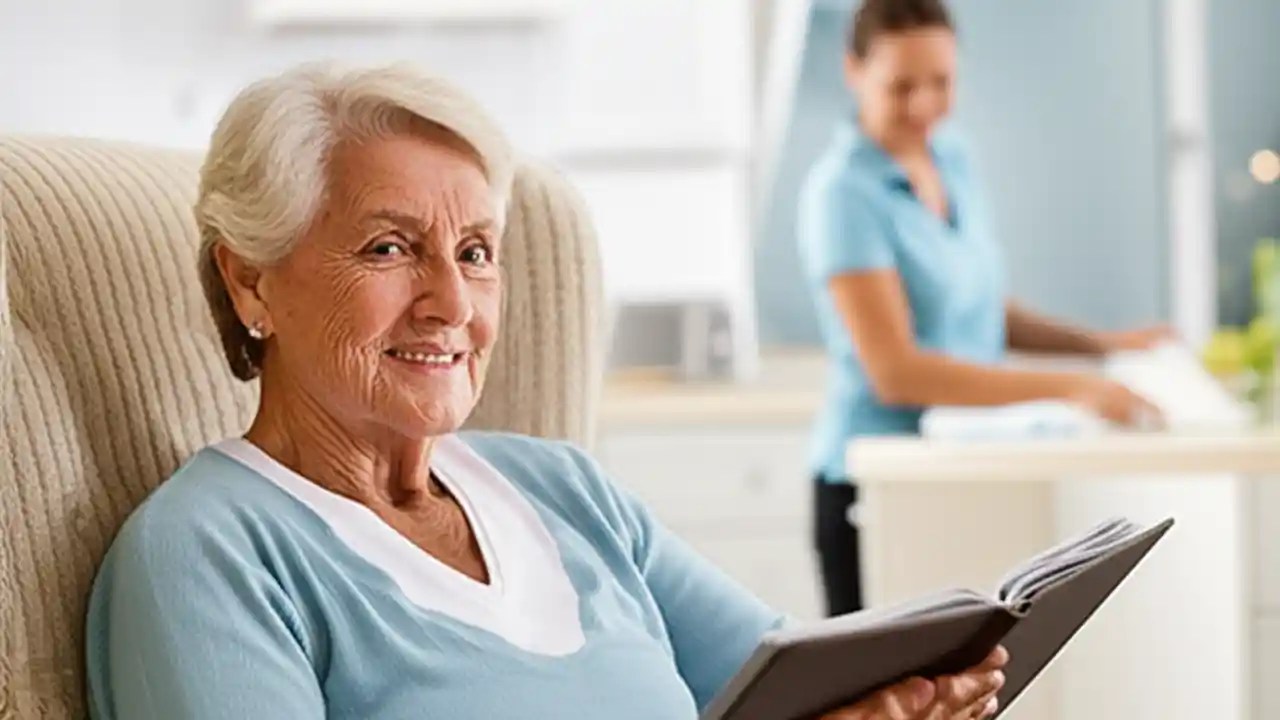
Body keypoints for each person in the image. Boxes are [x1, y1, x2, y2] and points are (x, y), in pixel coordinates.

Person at [84, 62, 1006, 720]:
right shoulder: (204, 557)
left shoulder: (568, 492)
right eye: (389, 248)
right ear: (251, 282)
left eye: (476, 253)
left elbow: (804, 677)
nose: (451, 304)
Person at [797, 0, 1171, 619]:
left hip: (961, 469)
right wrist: (1073, 388)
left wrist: (1103, 346)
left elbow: (978, 308)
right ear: (853, 71)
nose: (924, 105)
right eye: (901, 87)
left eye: (941, 83)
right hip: (876, 483)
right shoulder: (842, 194)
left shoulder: (952, 159)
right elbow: (898, 373)